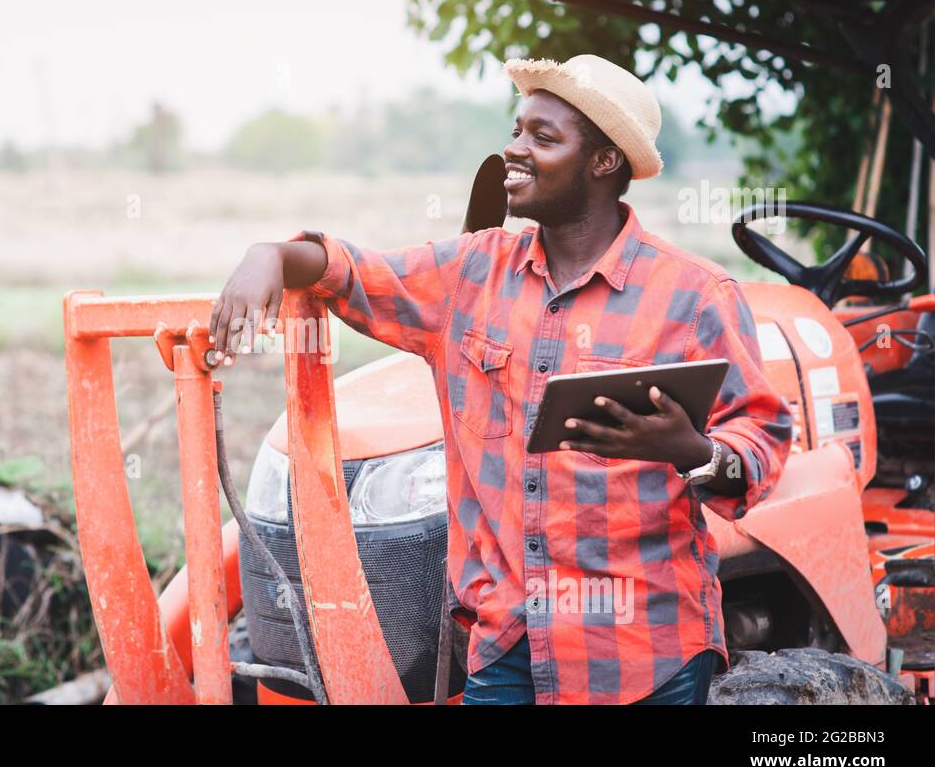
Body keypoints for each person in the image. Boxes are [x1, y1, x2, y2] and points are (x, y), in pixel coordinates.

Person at [209, 54, 793, 704]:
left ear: (604, 162)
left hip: (643, 657)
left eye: (543, 138)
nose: (514, 150)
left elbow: (760, 442)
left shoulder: (695, 295)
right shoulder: (469, 275)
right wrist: (274, 255)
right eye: (518, 130)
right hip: (509, 642)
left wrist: (693, 452)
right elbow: (355, 271)